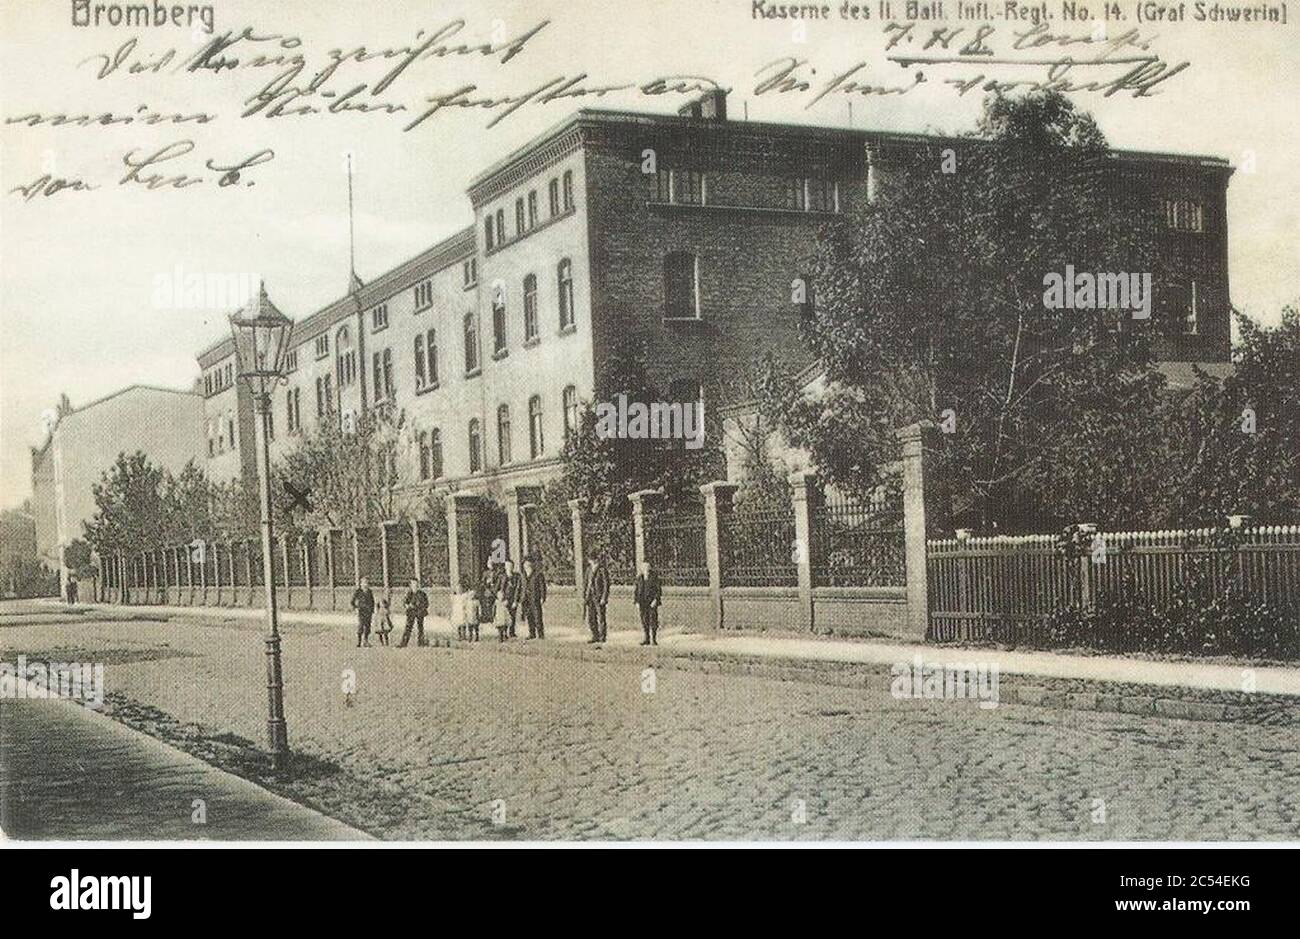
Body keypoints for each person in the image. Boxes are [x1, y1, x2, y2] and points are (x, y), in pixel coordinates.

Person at [634, 560, 662, 646]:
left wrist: (656, 600)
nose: (645, 569)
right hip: (643, 602)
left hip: (651, 602)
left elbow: (658, 590)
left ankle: (654, 639)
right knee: (644, 620)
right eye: (644, 567)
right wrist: (637, 602)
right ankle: (646, 638)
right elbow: (636, 591)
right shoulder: (639, 578)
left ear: (650, 568)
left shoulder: (654, 577)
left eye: (647, 567)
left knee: (653, 620)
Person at [584, 555, 611, 644]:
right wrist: (585, 595)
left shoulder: (602, 570)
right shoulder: (588, 570)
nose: (592, 562)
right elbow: (586, 583)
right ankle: (594, 635)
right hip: (590, 596)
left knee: (601, 617)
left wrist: (604, 597)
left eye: (593, 560)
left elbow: (606, 585)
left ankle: (602, 636)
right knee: (591, 617)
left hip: (599, 597)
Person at [520, 556, 547, 639]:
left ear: (532, 564)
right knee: (529, 616)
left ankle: (540, 634)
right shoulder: (523, 575)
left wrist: (543, 597)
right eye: (525, 564)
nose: (527, 566)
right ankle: (532, 633)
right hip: (526, 599)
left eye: (528, 564)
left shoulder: (538, 574)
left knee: (537, 616)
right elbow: (521, 587)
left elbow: (542, 587)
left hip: (535, 598)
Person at [399, 579, 428, 648]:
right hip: (411, 612)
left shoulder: (422, 594)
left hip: (419, 612)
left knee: (420, 628)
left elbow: (426, 603)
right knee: (408, 627)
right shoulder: (409, 594)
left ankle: (421, 643)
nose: (415, 586)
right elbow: (404, 603)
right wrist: (407, 605)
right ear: (410, 585)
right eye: (413, 584)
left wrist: (420, 607)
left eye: (416, 584)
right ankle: (404, 643)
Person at [351, 578, 375, 647]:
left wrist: (372, 610)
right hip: (361, 611)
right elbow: (352, 601)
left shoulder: (369, 591)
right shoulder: (358, 591)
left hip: (369, 611)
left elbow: (372, 601)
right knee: (361, 626)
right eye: (364, 583)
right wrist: (356, 607)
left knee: (367, 626)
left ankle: (366, 641)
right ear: (361, 583)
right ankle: (359, 642)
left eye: (367, 583)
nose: (365, 584)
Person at [501, 560, 522, 639]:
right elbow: (499, 588)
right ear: (505, 567)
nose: (509, 568)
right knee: (504, 616)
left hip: (513, 599)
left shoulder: (516, 577)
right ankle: (504, 633)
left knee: (512, 616)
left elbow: (518, 588)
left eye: (511, 566)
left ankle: (512, 632)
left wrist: (516, 601)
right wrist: (502, 599)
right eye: (507, 566)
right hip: (504, 600)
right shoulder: (502, 576)